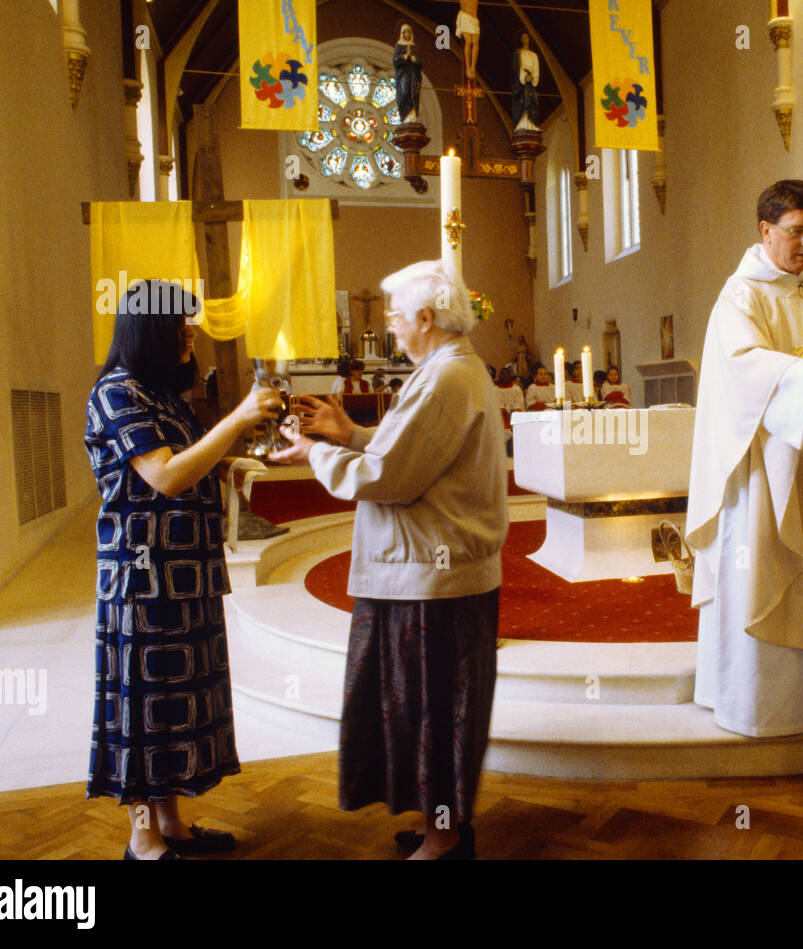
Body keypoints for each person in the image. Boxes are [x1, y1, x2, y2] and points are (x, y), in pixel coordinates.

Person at [272, 260, 507, 860]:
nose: (393, 329)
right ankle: (440, 826)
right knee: (427, 713)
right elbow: (416, 449)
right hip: (427, 575)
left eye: (397, 318)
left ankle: (446, 838)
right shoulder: (448, 371)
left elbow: (391, 476)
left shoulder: (447, 377)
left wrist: (312, 455)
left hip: (432, 580)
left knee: (432, 714)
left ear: (426, 318)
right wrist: (348, 433)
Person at [84, 279, 282, 859]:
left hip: (187, 573)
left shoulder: (163, 394)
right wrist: (240, 417)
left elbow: (191, 462)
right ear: (149, 327)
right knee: (141, 706)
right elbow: (166, 476)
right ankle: (141, 836)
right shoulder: (117, 392)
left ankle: (170, 823)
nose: (189, 331)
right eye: (179, 322)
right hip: (141, 578)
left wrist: (233, 463)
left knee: (172, 706)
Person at [685, 179, 803, 737]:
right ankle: (760, 704)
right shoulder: (740, 295)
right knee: (764, 567)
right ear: (766, 231)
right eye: (797, 232)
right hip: (765, 466)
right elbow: (741, 367)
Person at [512, 32, 541, 132]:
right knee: (522, 100)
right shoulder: (518, 53)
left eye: (526, 37)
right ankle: (522, 123)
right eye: (523, 37)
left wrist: (532, 77)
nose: (525, 39)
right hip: (522, 82)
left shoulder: (534, 55)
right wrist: (524, 76)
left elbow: (536, 69)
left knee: (532, 102)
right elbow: (516, 68)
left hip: (531, 81)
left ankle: (531, 124)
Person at [393, 23, 421, 123]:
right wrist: (405, 57)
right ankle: (404, 116)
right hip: (403, 74)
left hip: (413, 75)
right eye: (405, 32)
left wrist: (413, 59)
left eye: (409, 32)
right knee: (404, 92)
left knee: (413, 94)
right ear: (402, 34)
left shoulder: (414, 47)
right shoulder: (398, 46)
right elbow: (395, 61)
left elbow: (420, 63)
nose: (407, 34)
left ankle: (412, 115)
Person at [456, 0, 480, 79]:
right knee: (469, 42)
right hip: (465, 17)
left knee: (475, 42)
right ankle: (468, 67)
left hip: (474, 19)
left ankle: (473, 66)